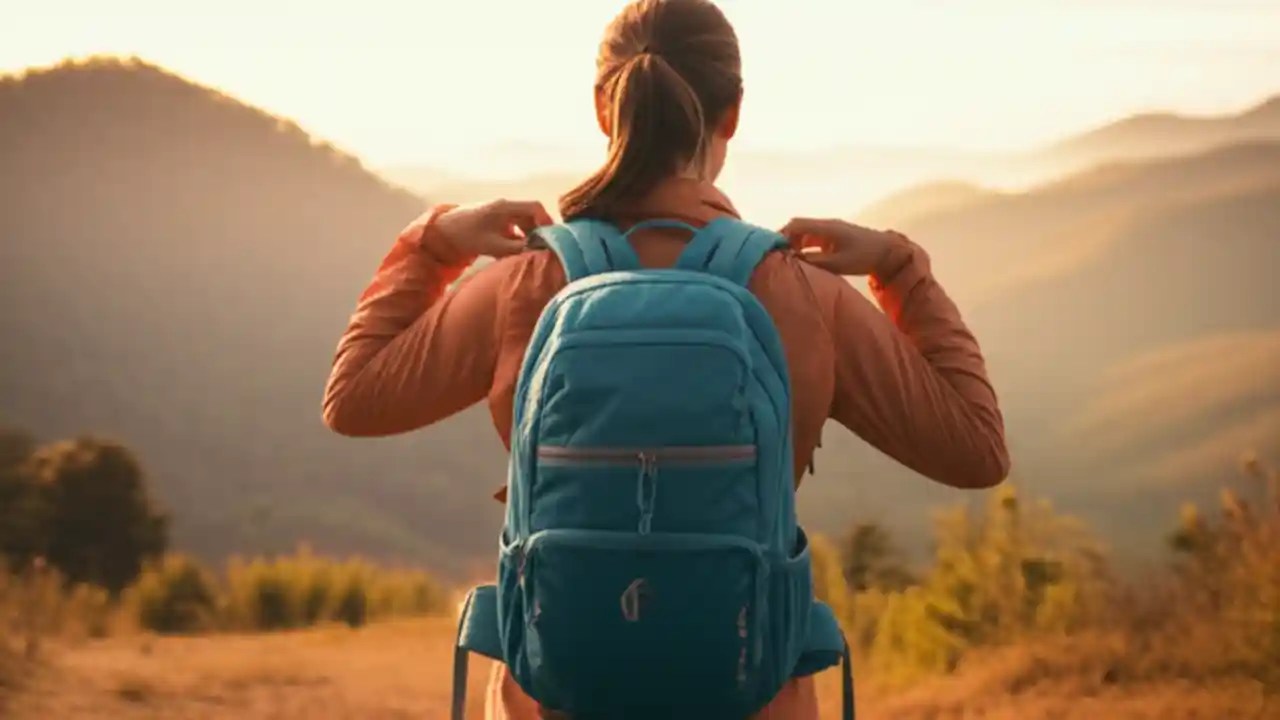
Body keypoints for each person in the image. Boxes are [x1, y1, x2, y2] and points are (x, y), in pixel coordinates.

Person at [321, 0, 1010, 716]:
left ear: (602, 108)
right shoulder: (799, 293)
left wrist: (436, 242)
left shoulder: (529, 281)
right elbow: (977, 451)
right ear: (733, 114)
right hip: (748, 690)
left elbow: (354, 400)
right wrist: (900, 267)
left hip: (556, 694)